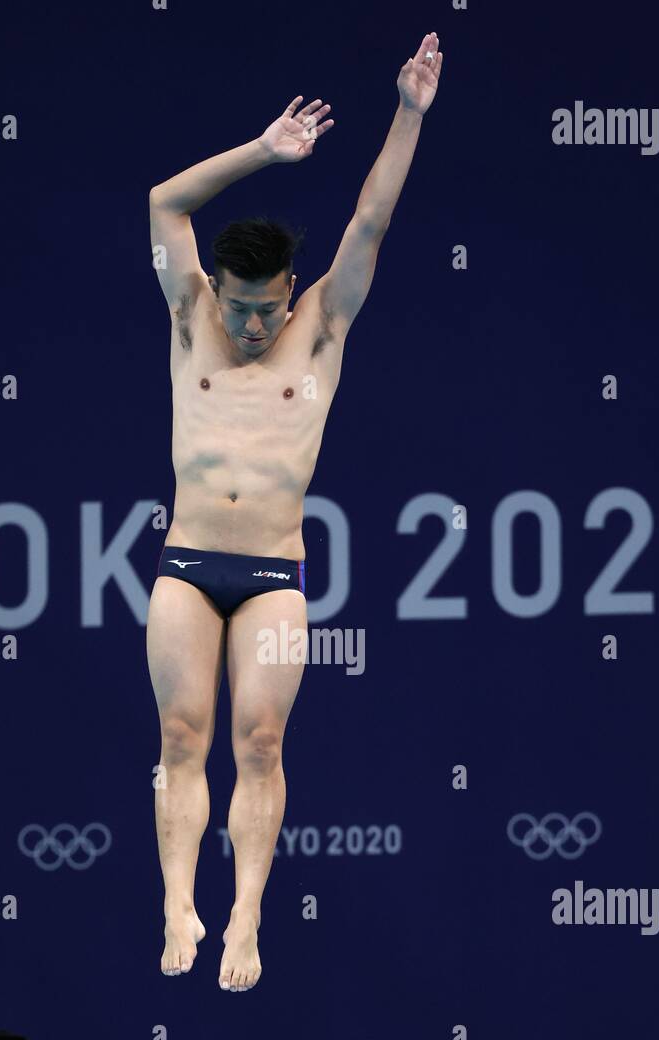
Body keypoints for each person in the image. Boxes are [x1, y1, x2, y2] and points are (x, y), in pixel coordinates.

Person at [146, 32, 443, 991]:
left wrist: (409, 112)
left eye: (265, 310)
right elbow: (165, 202)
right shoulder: (188, 308)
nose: (250, 327)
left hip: (274, 577)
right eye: (238, 309)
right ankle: (177, 902)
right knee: (182, 737)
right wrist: (263, 153)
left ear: (288, 297)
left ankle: (246, 921)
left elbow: (370, 221)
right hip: (188, 567)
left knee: (259, 741)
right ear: (213, 292)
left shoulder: (319, 326)